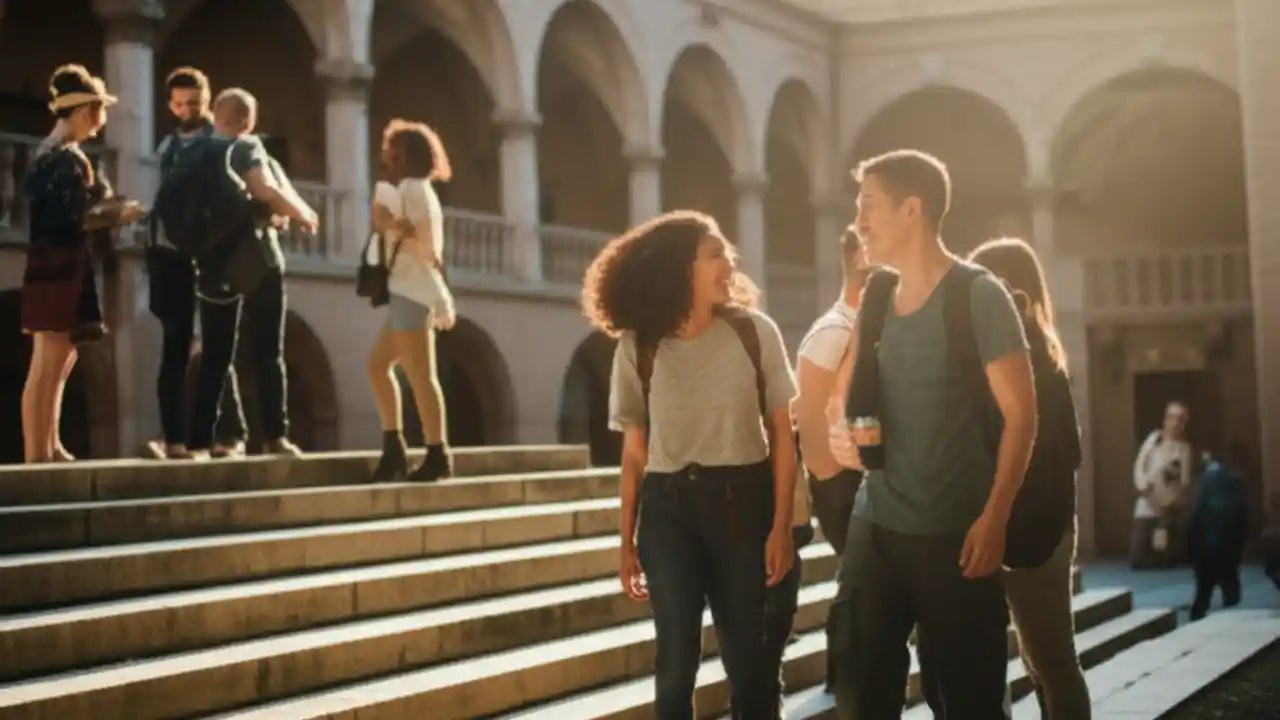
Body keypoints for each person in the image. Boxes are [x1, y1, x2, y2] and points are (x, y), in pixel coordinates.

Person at [832, 150, 1036, 719]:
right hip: (875, 529)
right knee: (861, 692)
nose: (858, 223)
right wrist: (846, 436)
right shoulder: (875, 297)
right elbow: (849, 395)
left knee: (967, 702)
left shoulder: (978, 295)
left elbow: (1022, 412)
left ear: (912, 210)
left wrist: (995, 518)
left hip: (957, 536)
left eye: (868, 206)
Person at [588, 210, 798, 719]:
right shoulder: (639, 348)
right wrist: (624, 541)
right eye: (714, 255)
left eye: (727, 254)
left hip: (743, 506)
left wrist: (781, 528)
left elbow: (784, 437)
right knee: (675, 664)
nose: (729, 264)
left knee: (749, 664)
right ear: (681, 268)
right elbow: (635, 454)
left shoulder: (756, 333)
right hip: (668, 511)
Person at [970, 237, 1090, 719]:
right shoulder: (1049, 352)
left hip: (1021, 524)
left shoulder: (1012, 357)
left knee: (1041, 661)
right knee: (1048, 659)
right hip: (1053, 524)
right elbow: (1074, 453)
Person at [20, 65, 143, 463]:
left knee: (61, 357)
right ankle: (38, 452)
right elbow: (76, 217)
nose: (97, 123)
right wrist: (117, 215)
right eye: (94, 112)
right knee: (49, 360)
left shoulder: (54, 156)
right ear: (78, 111)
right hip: (59, 262)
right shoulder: (61, 159)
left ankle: (49, 443)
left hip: (55, 261)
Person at [186, 88, 317, 461]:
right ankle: (276, 436)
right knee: (268, 352)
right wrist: (302, 212)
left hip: (211, 265)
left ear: (214, 114)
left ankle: (223, 437)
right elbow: (265, 188)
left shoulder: (192, 153)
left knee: (217, 355)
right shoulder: (246, 148)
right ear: (249, 122)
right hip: (257, 261)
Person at [143, 66, 247, 460]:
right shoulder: (165, 148)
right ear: (171, 104)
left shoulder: (219, 142)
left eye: (195, 103)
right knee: (175, 346)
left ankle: (230, 433)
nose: (188, 110)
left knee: (214, 348)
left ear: (207, 100)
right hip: (167, 256)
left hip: (208, 257)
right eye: (181, 103)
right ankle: (173, 439)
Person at [366, 119, 457, 483]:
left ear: (414, 157)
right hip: (406, 290)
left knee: (420, 376)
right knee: (377, 366)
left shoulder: (416, 189)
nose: (391, 158)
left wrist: (397, 225)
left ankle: (436, 455)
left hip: (413, 290)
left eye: (399, 152)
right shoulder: (409, 188)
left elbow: (429, 250)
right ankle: (395, 449)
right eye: (390, 151)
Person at [796, 224, 869, 556]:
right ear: (862, 255)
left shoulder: (862, 326)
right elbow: (812, 435)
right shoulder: (834, 332)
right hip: (849, 495)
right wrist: (839, 488)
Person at [1187, 445, 1248, 621]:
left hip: (1207, 541)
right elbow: (1242, 514)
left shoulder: (1204, 482)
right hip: (1229, 540)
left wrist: (1190, 544)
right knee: (1229, 577)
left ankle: (1199, 611)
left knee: (1204, 584)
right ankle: (1231, 602)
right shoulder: (1236, 479)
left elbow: (1194, 515)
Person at [1131, 400, 1194, 568]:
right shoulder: (1154, 439)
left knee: (1167, 555)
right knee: (1138, 558)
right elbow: (1139, 468)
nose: (1175, 422)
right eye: (1172, 417)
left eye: (1180, 419)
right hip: (1148, 503)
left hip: (1169, 507)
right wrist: (1148, 494)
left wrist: (1176, 502)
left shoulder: (1185, 448)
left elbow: (1184, 480)